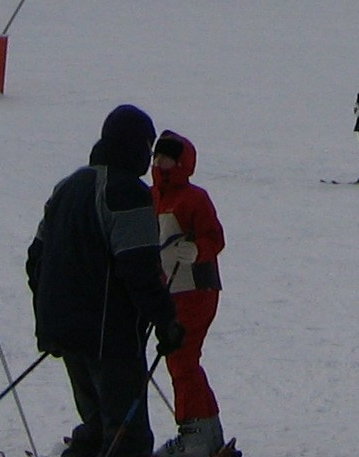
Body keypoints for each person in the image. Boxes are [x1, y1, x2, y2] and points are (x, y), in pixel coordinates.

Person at [28, 105, 183, 457]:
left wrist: (50, 317)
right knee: (126, 436)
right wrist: (166, 320)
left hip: (65, 330)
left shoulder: (67, 186)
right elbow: (138, 268)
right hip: (108, 336)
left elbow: (36, 257)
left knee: (97, 425)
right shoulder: (127, 192)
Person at [151, 131, 227, 457]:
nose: (159, 162)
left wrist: (196, 250)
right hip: (170, 291)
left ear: (181, 161)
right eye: (156, 156)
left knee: (181, 359)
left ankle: (195, 434)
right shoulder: (152, 196)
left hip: (197, 289)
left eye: (166, 157)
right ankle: (206, 432)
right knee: (183, 359)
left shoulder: (194, 198)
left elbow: (216, 238)